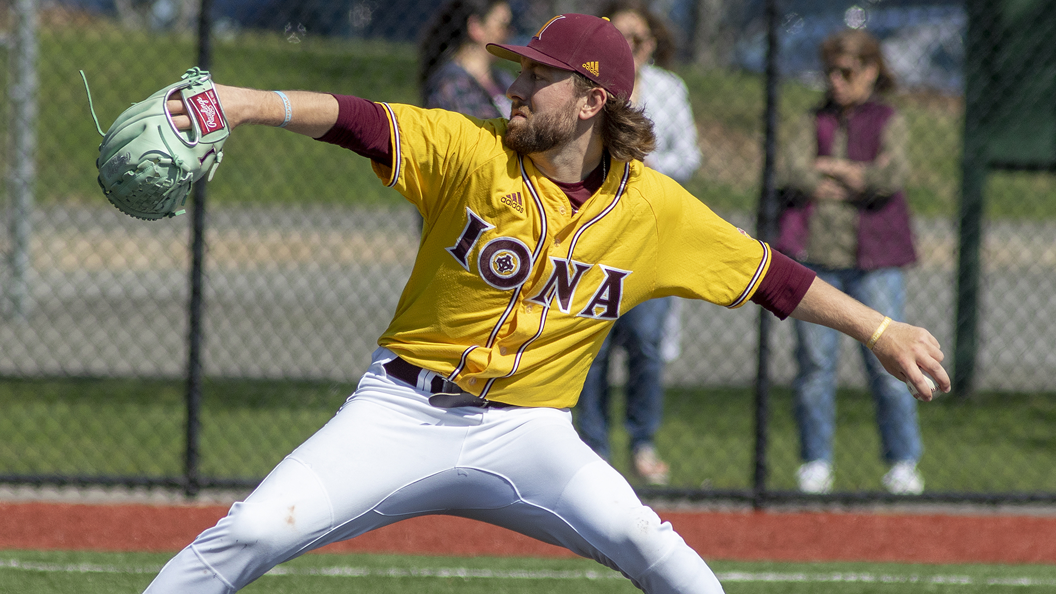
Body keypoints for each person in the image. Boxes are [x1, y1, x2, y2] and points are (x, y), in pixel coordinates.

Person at [143, 14, 948, 593]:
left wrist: (879, 328)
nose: (515, 87)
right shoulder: (473, 150)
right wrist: (246, 103)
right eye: (518, 71)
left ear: (592, 101)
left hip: (526, 433)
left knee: (658, 551)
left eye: (536, 76)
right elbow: (360, 123)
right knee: (247, 533)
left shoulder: (655, 210)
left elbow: (775, 275)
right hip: (399, 412)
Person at [775, 29, 925, 495]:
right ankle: (815, 462)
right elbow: (793, 171)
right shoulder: (809, 118)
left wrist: (833, 169)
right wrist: (857, 178)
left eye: (848, 72)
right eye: (831, 72)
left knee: (893, 365)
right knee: (816, 367)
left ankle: (902, 463)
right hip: (816, 259)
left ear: (871, 72)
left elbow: (890, 176)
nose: (837, 81)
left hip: (876, 258)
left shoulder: (888, 119)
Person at [575, 0, 701, 486]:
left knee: (646, 344)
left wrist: (638, 174)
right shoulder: (590, 92)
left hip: (651, 238)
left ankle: (643, 441)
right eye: (621, 39)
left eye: (641, 41)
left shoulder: (669, 91)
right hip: (597, 240)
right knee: (594, 344)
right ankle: (593, 447)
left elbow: (688, 154)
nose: (632, 49)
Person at [418, 0, 514, 118]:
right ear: (476, 27)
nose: (510, 33)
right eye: (503, 26)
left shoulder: (503, 78)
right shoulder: (452, 84)